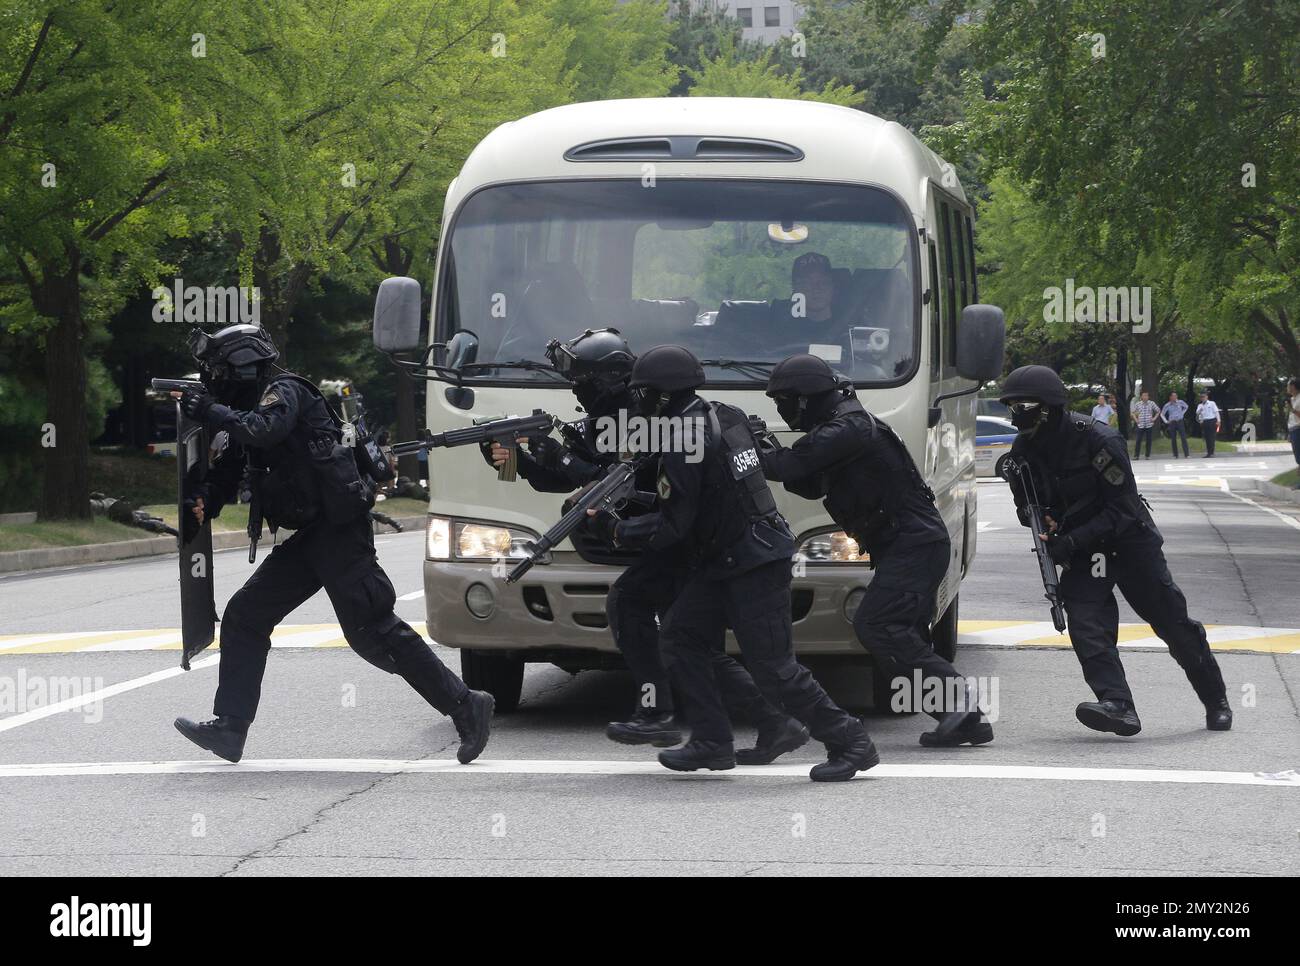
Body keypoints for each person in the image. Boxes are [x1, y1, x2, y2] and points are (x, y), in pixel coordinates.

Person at [170, 323, 493, 764]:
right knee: (246, 616)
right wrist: (204, 498)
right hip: (311, 536)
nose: (212, 381)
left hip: (340, 532)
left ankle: (465, 705)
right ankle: (230, 727)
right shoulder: (242, 410)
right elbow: (230, 469)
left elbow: (263, 429)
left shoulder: (285, 393)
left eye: (218, 371)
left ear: (242, 367)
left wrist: (207, 409)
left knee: (374, 629)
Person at [484, 329, 805, 763]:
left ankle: (666, 714)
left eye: (585, 381)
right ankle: (764, 723)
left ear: (612, 378)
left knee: (645, 613)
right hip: (686, 538)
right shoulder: (629, 412)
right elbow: (580, 472)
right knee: (685, 638)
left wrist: (569, 472)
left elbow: (614, 474)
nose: (578, 390)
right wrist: (523, 460)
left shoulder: (650, 414)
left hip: (690, 538)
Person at [593, 345, 878, 781]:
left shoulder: (682, 439)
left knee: (775, 668)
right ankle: (713, 741)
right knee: (682, 638)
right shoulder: (722, 414)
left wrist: (616, 530)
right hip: (732, 556)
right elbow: (709, 494)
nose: (637, 403)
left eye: (643, 393)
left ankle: (849, 740)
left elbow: (676, 525)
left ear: (662, 395)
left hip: (752, 562)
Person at [755, 354, 992, 747]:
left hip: (913, 544)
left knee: (879, 625)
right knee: (904, 633)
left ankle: (963, 707)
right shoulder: (840, 427)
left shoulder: (847, 429)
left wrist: (753, 446)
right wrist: (767, 447)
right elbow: (810, 484)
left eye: (783, 401)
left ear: (805, 398)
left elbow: (791, 467)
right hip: (905, 544)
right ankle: (963, 719)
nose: (781, 409)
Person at [998, 365, 1231, 735]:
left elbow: (1122, 510)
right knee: (1086, 621)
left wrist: (1069, 541)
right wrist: (1044, 521)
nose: (1015, 414)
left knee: (1173, 625)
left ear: (1048, 407)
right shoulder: (1024, 448)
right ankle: (1118, 705)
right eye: (1011, 405)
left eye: (1022, 404)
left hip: (1129, 543)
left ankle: (1215, 699)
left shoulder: (1099, 440)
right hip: (1086, 551)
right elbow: (1028, 507)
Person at [1130, 390, 1161, 460]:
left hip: (1149, 424)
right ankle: (1136, 455)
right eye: (1144, 395)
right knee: (1138, 440)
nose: (1145, 397)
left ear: (1148, 397)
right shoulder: (1138, 404)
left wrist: (1154, 418)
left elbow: (1158, 411)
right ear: (1141, 396)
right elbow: (1132, 413)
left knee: (1148, 440)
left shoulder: (1151, 403)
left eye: (1146, 395)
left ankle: (1147, 455)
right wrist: (1136, 420)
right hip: (1140, 425)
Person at [1161, 391, 1190, 458]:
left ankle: (1187, 454)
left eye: (1176, 396)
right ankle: (1175, 454)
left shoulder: (1180, 402)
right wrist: (1166, 421)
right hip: (1172, 422)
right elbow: (1162, 414)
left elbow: (1186, 406)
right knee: (1173, 438)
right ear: (1170, 397)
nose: (1175, 397)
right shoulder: (1167, 405)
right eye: (1173, 396)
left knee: (1183, 437)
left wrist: (1182, 413)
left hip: (1180, 421)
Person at [1196, 391, 1221, 457]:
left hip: (1212, 421)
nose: (1202, 398)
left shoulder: (1212, 403)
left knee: (1212, 437)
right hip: (1205, 422)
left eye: (1204, 397)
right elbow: (1198, 414)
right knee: (1206, 438)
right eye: (1201, 397)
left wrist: (1218, 420)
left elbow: (1216, 412)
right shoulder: (1200, 405)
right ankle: (1209, 452)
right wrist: (1201, 420)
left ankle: (1212, 452)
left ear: (1207, 397)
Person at [1286, 378, 1299, 484]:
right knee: (1296, 454)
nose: (1287, 388)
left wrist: (1293, 410)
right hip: (1293, 429)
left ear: (1293, 387)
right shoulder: (1292, 399)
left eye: (1288, 385)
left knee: (1299, 455)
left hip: (1298, 429)